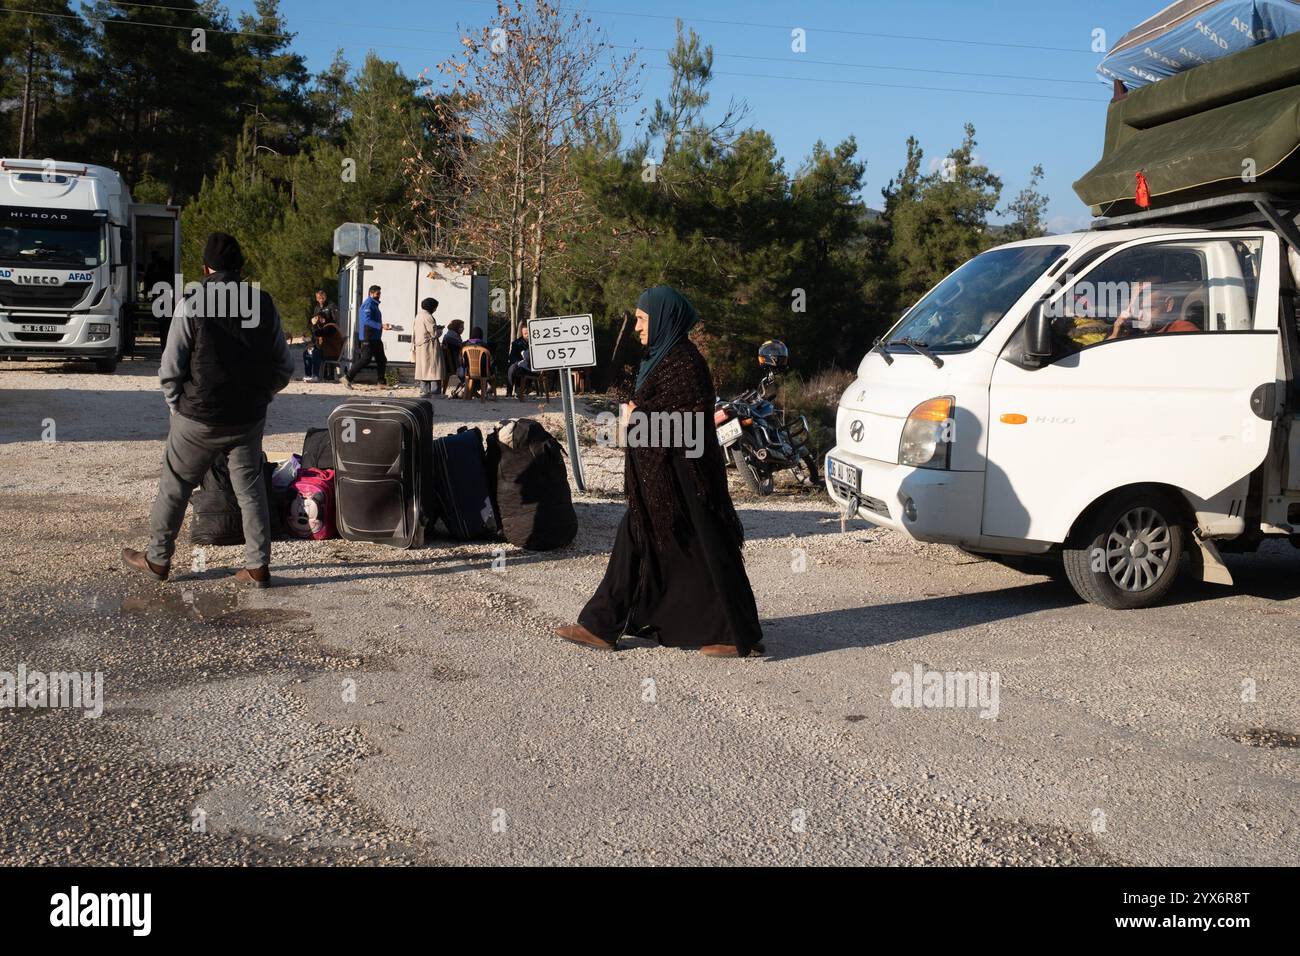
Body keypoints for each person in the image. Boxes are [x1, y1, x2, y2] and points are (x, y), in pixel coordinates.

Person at [554, 286, 763, 658]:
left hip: (685, 475)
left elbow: (692, 426)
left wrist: (639, 418)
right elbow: (644, 400)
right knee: (657, 539)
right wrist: (634, 408)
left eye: (642, 319)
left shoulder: (686, 364)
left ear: (664, 319)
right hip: (661, 476)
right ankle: (607, 624)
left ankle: (732, 631)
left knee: (704, 543)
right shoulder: (661, 358)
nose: (636, 327)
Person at [122, 232, 294, 588]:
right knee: (250, 491)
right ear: (241, 269)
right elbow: (283, 366)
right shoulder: (263, 304)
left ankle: (157, 559)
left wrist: (177, 410)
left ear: (205, 269)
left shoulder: (190, 303)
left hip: (197, 417)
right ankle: (258, 566)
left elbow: (170, 369)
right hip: (247, 418)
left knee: (176, 486)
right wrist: (263, 397)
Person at [343, 285, 394, 388]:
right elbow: (367, 321)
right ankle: (347, 377)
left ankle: (381, 382)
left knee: (382, 359)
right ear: (371, 293)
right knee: (366, 359)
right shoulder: (368, 304)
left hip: (375, 337)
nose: (379, 296)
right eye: (377, 294)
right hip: (368, 337)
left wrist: (382, 325)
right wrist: (381, 326)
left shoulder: (374, 304)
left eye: (379, 293)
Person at [413, 297, 441, 398]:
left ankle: (424, 390)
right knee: (434, 369)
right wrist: (440, 330)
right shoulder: (428, 316)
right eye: (435, 307)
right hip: (430, 346)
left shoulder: (418, 316)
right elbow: (434, 333)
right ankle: (435, 391)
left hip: (420, 345)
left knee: (423, 369)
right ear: (432, 307)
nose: (435, 309)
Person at [440, 319, 464, 396]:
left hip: (449, 363)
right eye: (461, 327)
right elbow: (462, 347)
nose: (463, 329)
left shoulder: (450, 335)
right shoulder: (452, 337)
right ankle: (466, 390)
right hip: (453, 364)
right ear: (456, 327)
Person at [506, 325, 531, 398]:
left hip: (529, 365)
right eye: (525, 333)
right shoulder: (516, 343)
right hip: (518, 363)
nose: (527, 335)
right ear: (522, 334)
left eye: (528, 333)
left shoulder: (534, 342)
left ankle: (520, 389)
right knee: (512, 367)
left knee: (519, 369)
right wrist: (518, 363)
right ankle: (509, 391)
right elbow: (512, 356)